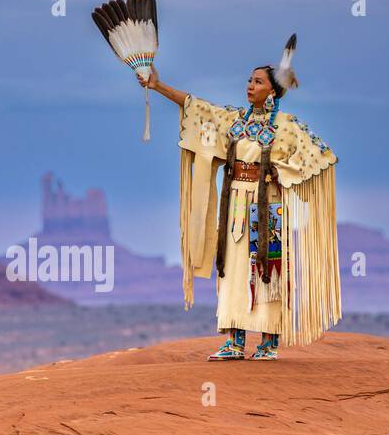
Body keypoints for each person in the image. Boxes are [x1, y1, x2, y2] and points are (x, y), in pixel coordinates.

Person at [142, 47, 341, 360]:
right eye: (249, 80)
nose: (250, 85)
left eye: (258, 82)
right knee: (232, 267)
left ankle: (268, 343)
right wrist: (158, 85)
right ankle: (234, 340)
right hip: (234, 199)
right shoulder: (235, 121)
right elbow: (198, 108)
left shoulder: (287, 126)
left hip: (268, 205)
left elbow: (321, 156)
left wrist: (279, 172)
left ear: (273, 91)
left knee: (267, 266)